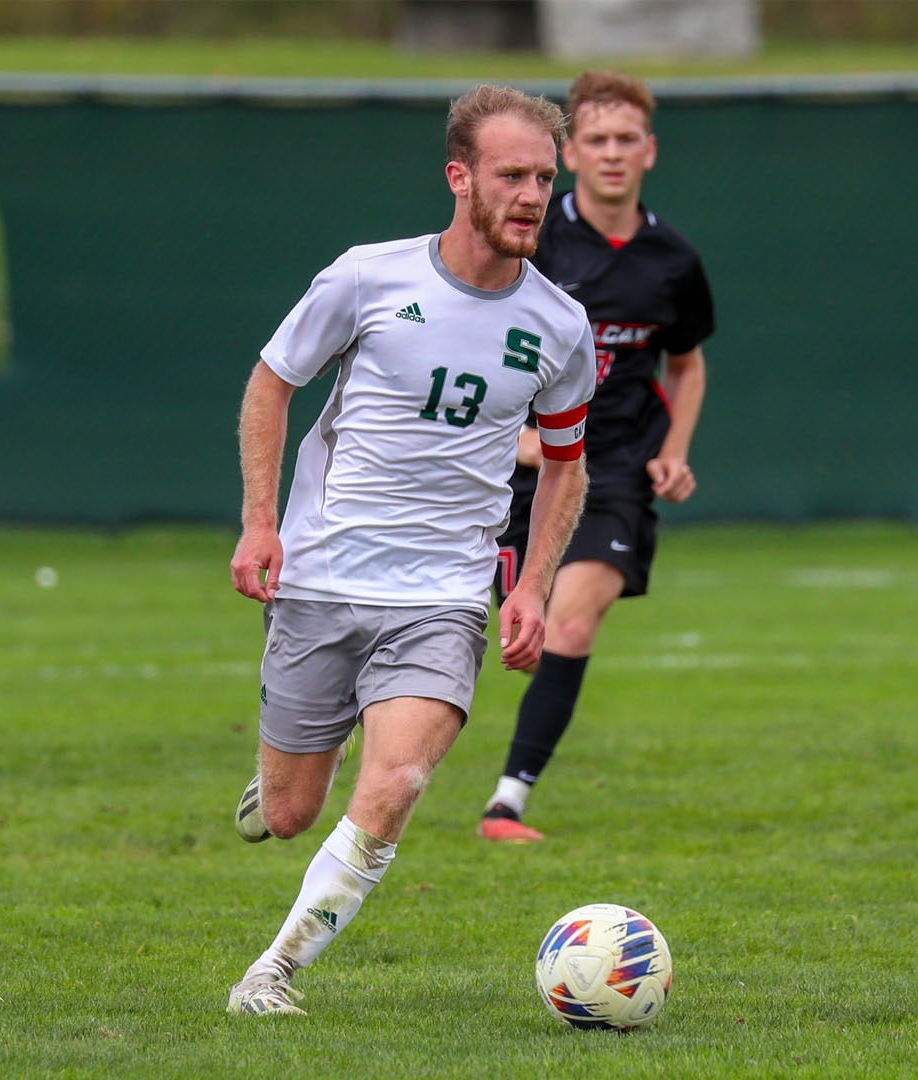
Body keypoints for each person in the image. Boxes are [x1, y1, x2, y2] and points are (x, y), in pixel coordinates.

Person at [223, 85, 596, 1017]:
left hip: (444, 596)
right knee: (291, 813)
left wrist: (534, 586)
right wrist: (260, 520)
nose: (530, 196)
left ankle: (271, 972)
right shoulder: (368, 277)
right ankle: (284, 778)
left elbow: (565, 466)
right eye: (511, 175)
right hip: (321, 576)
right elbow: (271, 383)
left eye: (545, 179)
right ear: (459, 176)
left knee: (396, 783)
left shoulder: (560, 326)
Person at [477, 71, 715, 844]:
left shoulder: (673, 260)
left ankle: (507, 801)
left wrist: (673, 453)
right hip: (506, 469)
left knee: (571, 624)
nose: (612, 153)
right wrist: (507, 437)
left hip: (609, 469)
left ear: (650, 151)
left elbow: (685, 362)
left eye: (626, 140)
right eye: (596, 140)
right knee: (453, 629)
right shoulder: (530, 236)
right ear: (570, 152)